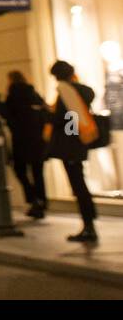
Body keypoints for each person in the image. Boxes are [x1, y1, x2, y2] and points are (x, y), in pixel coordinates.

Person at [45, 60, 99, 243]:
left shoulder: (67, 92)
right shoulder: (80, 90)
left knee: (78, 186)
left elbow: (69, 120)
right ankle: (89, 224)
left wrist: (48, 115)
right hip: (77, 145)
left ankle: (89, 226)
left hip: (70, 148)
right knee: (79, 185)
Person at [4, 69, 47, 218]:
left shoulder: (12, 95)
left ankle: (33, 199)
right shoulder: (33, 94)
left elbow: (7, 116)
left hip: (21, 140)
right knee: (38, 172)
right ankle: (40, 201)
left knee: (20, 170)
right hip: (37, 140)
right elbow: (45, 112)